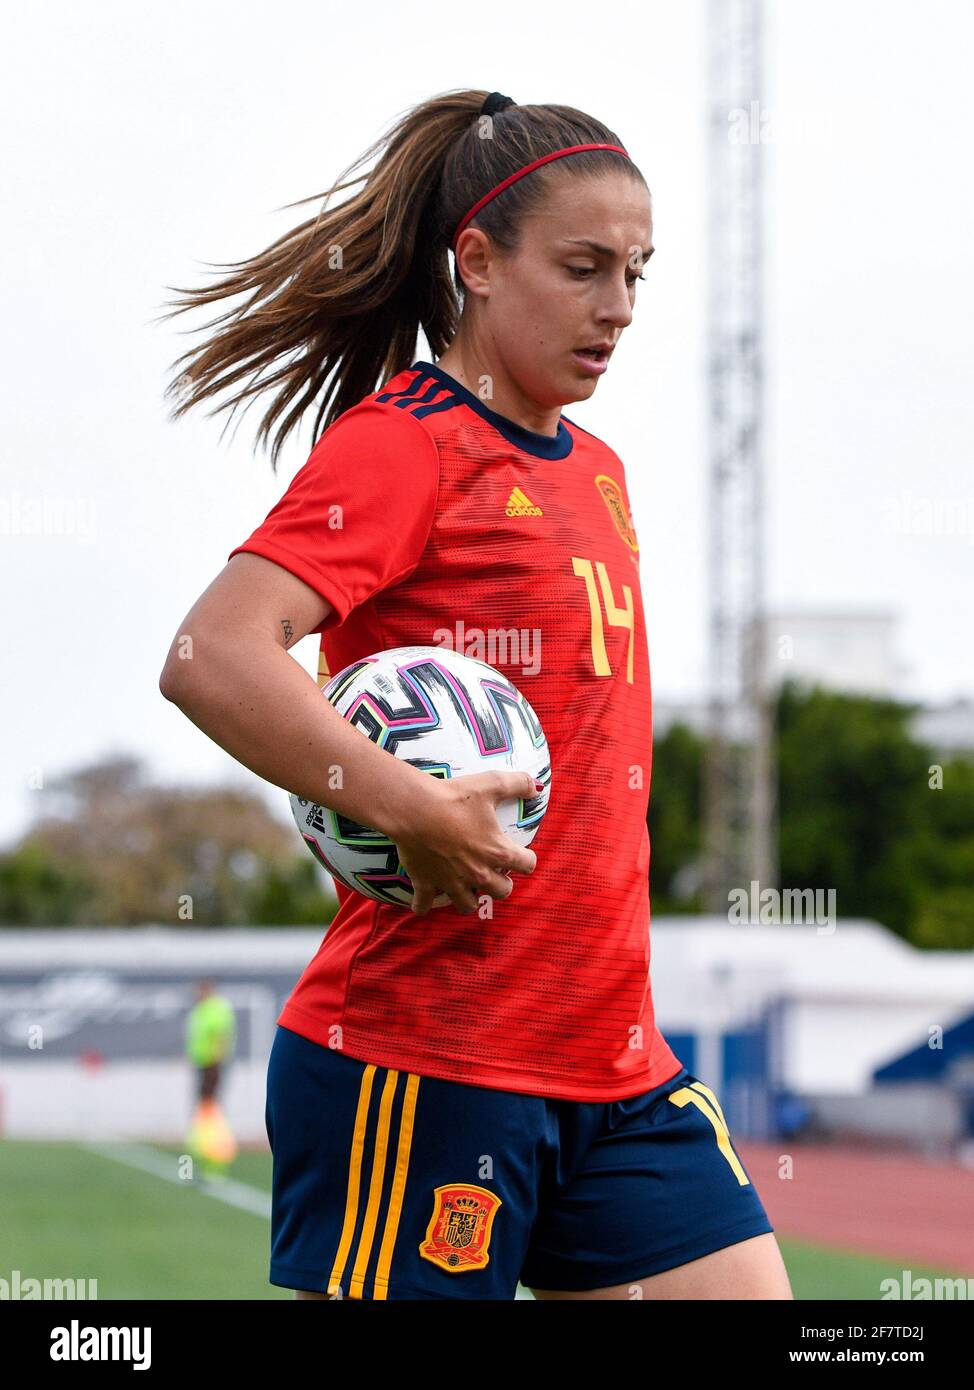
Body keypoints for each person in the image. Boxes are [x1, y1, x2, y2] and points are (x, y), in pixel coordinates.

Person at [159, 89, 792, 1301]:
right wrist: (405, 802)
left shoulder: (597, 472)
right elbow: (214, 653)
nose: (615, 307)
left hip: (614, 1062)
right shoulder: (406, 446)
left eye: (636, 274)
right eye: (582, 267)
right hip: (427, 1061)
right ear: (479, 263)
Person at [185, 979, 238, 1175]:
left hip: (212, 1066)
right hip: (204, 1065)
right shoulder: (202, 1010)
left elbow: (220, 1038)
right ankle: (204, 1152)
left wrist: (216, 1065)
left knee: (210, 1108)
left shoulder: (216, 1009)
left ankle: (215, 1155)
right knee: (205, 1108)